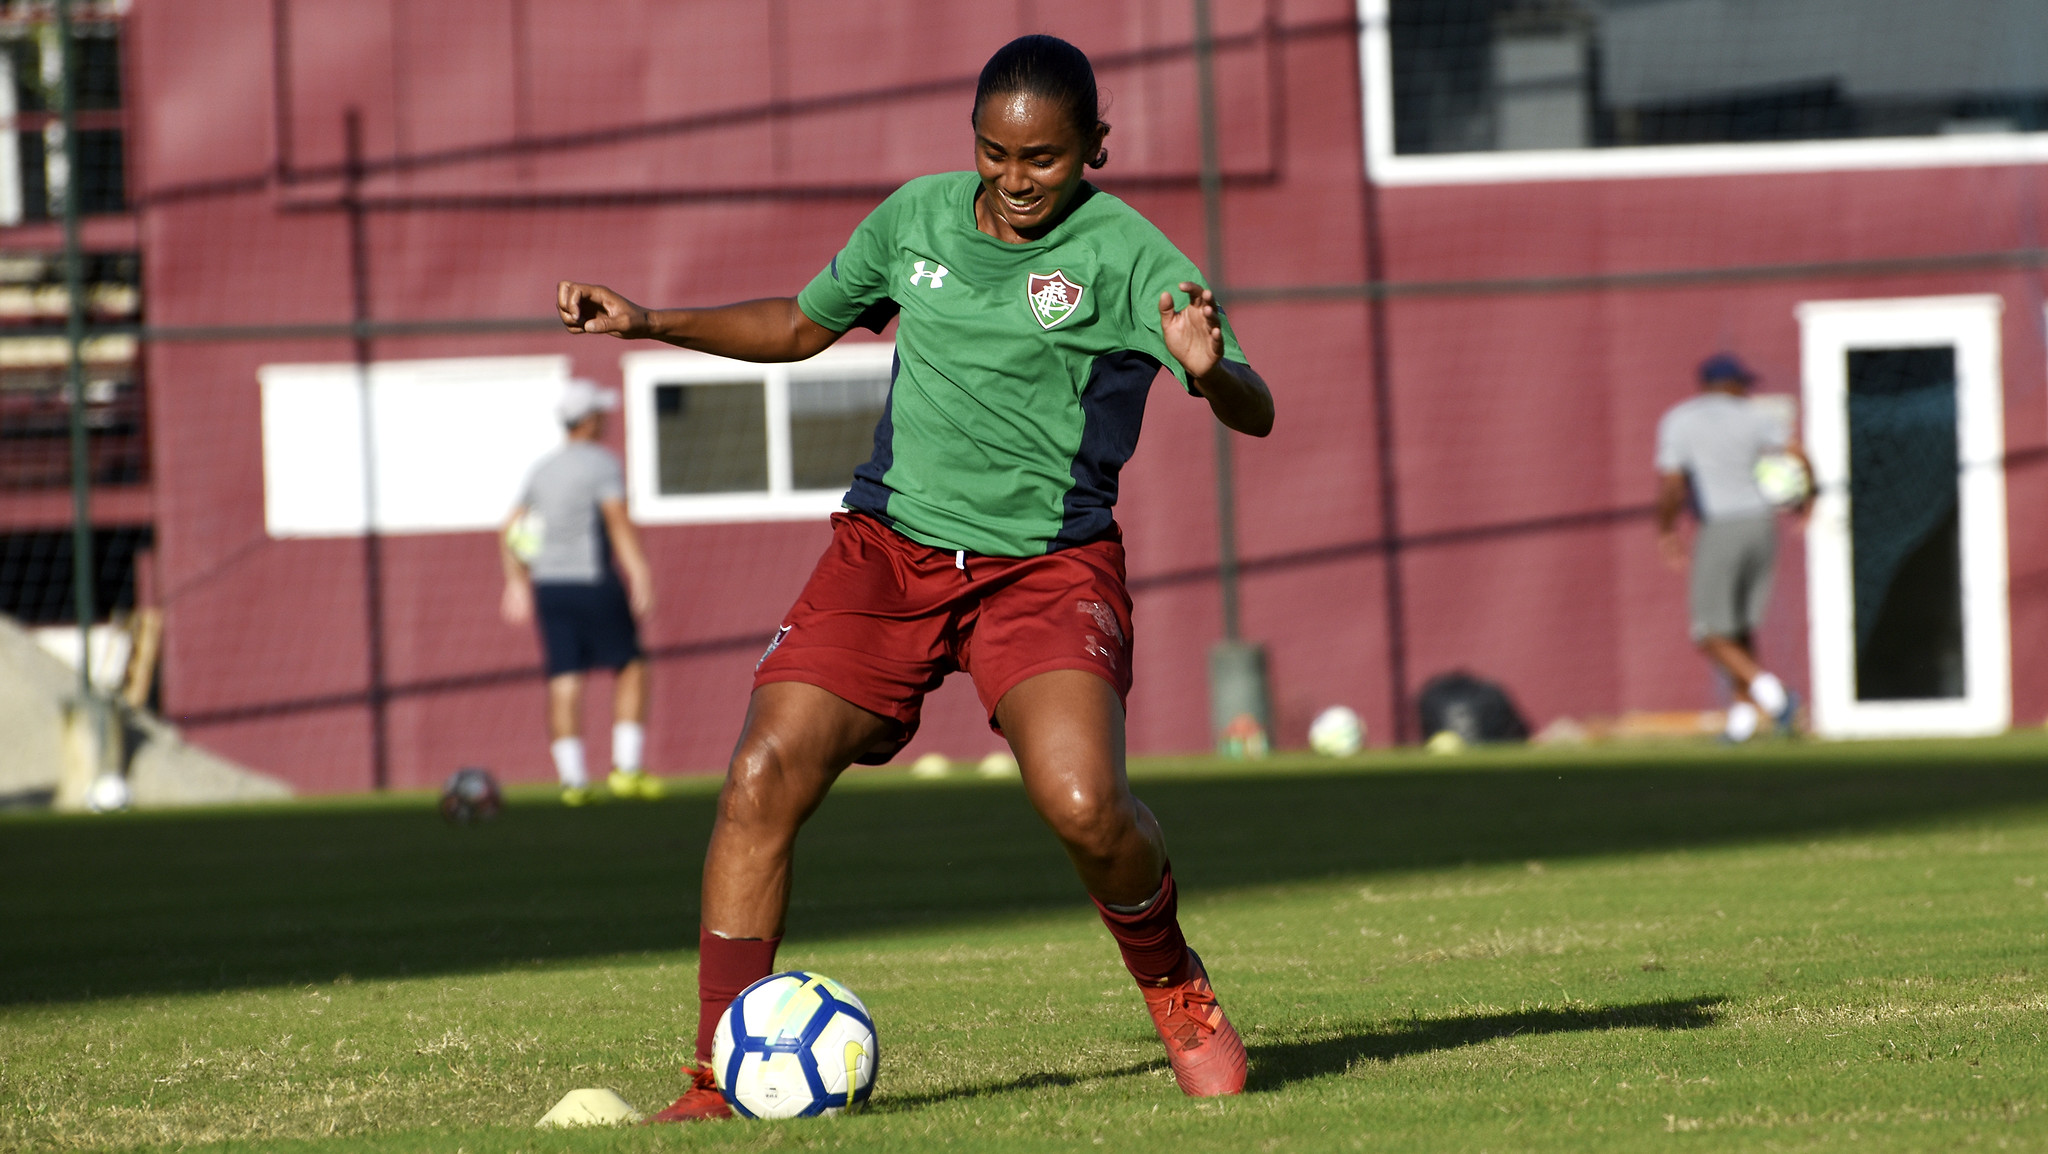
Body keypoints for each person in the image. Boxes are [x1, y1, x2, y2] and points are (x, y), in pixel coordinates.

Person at [557, 34, 1274, 1118]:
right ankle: (717, 1070)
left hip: (1042, 567)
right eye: (995, 152)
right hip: (886, 551)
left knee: (1083, 803)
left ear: (1094, 149)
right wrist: (648, 320)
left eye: (1044, 157)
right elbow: (803, 326)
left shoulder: (1130, 254)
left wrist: (1211, 369)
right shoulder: (914, 218)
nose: (1016, 178)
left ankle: (1174, 985)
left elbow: (1254, 408)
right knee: (760, 775)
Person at [500, 379, 662, 804]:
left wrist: (517, 581)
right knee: (630, 666)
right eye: (601, 413)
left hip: (548, 587)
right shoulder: (601, 464)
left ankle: (572, 781)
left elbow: (509, 528)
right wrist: (640, 572)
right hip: (591, 579)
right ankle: (626, 770)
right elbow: (616, 520)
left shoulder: (542, 468)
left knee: (564, 677)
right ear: (588, 421)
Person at [1655, 352, 1809, 742]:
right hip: (1761, 525)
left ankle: (1775, 699)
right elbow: (1799, 457)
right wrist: (1808, 504)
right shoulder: (1757, 417)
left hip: (1721, 526)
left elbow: (1672, 482)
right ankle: (1741, 723)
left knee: (1708, 631)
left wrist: (1667, 530)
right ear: (1733, 383)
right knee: (1737, 628)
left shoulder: (1680, 420)